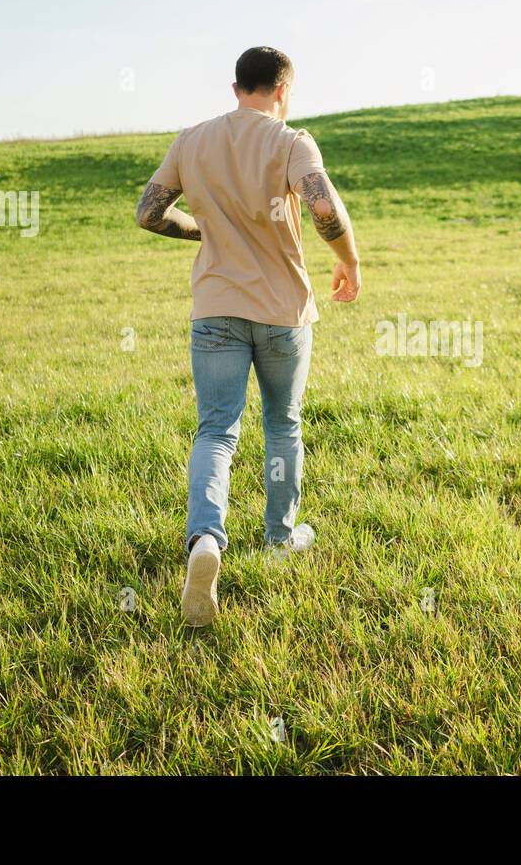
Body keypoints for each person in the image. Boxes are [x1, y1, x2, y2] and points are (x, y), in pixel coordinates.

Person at [135, 46, 361, 627]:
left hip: (216, 309)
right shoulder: (290, 141)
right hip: (283, 312)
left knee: (216, 430)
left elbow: (149, 213)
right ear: (283, 90)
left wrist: (204, 232)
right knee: (282, 423)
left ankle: (206, 541)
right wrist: (349, 262)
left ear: (236, 87)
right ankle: (280, 538)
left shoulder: (192, 140)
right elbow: (323, 208)